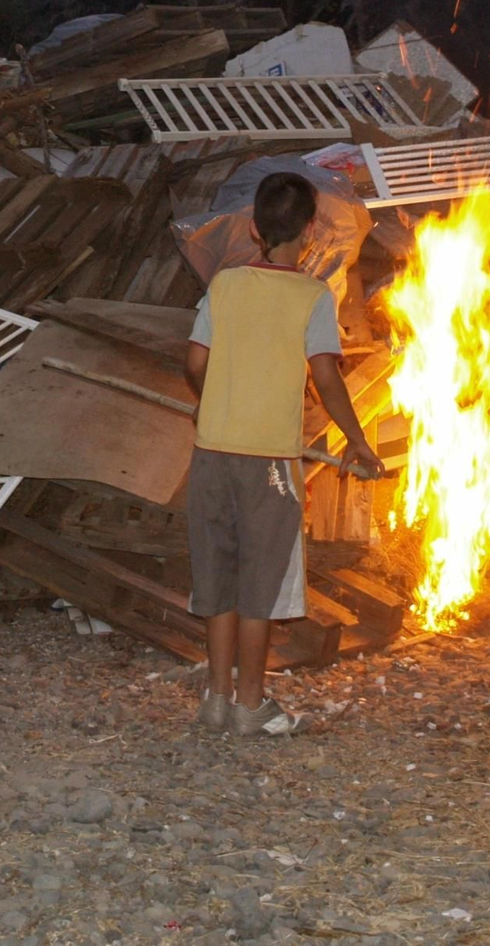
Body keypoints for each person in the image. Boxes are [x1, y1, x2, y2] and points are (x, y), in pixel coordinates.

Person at [183, 172, 382, 736]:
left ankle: (216, 699)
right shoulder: (313, 297)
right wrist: (358, 441)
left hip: (211, 456)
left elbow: (195, 362)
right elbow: (327, 378)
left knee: (216, 578)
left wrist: (210, 404)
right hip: (270, 464)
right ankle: (250, 705)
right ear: (311, 230)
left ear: (254, 227)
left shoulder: (224, 285)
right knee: (260, 587)